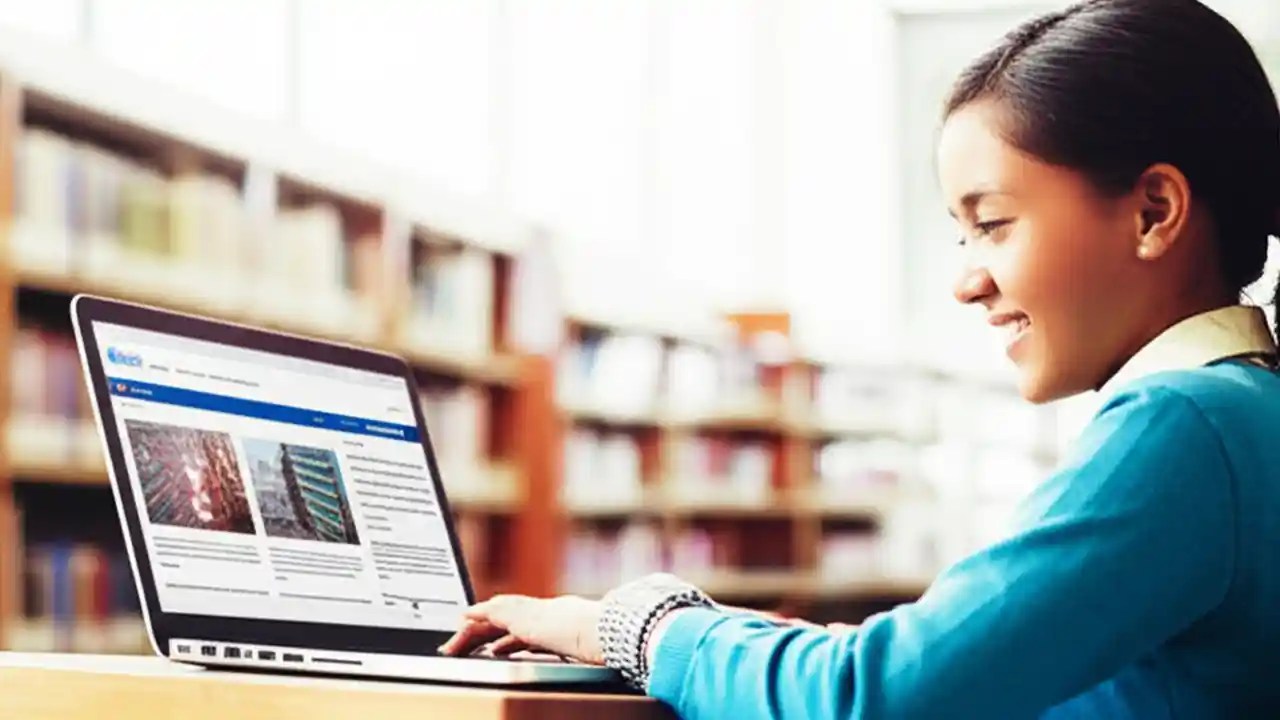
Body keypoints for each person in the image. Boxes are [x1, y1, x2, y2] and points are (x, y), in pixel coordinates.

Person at [441, 0, 1280, 716]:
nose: (967, 281)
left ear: (1154, 211)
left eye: (993, 223)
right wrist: (709, 630)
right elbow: (952, 668)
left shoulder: (1184, 426)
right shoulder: (1247, 416)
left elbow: (872, 699)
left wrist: (628, 624)